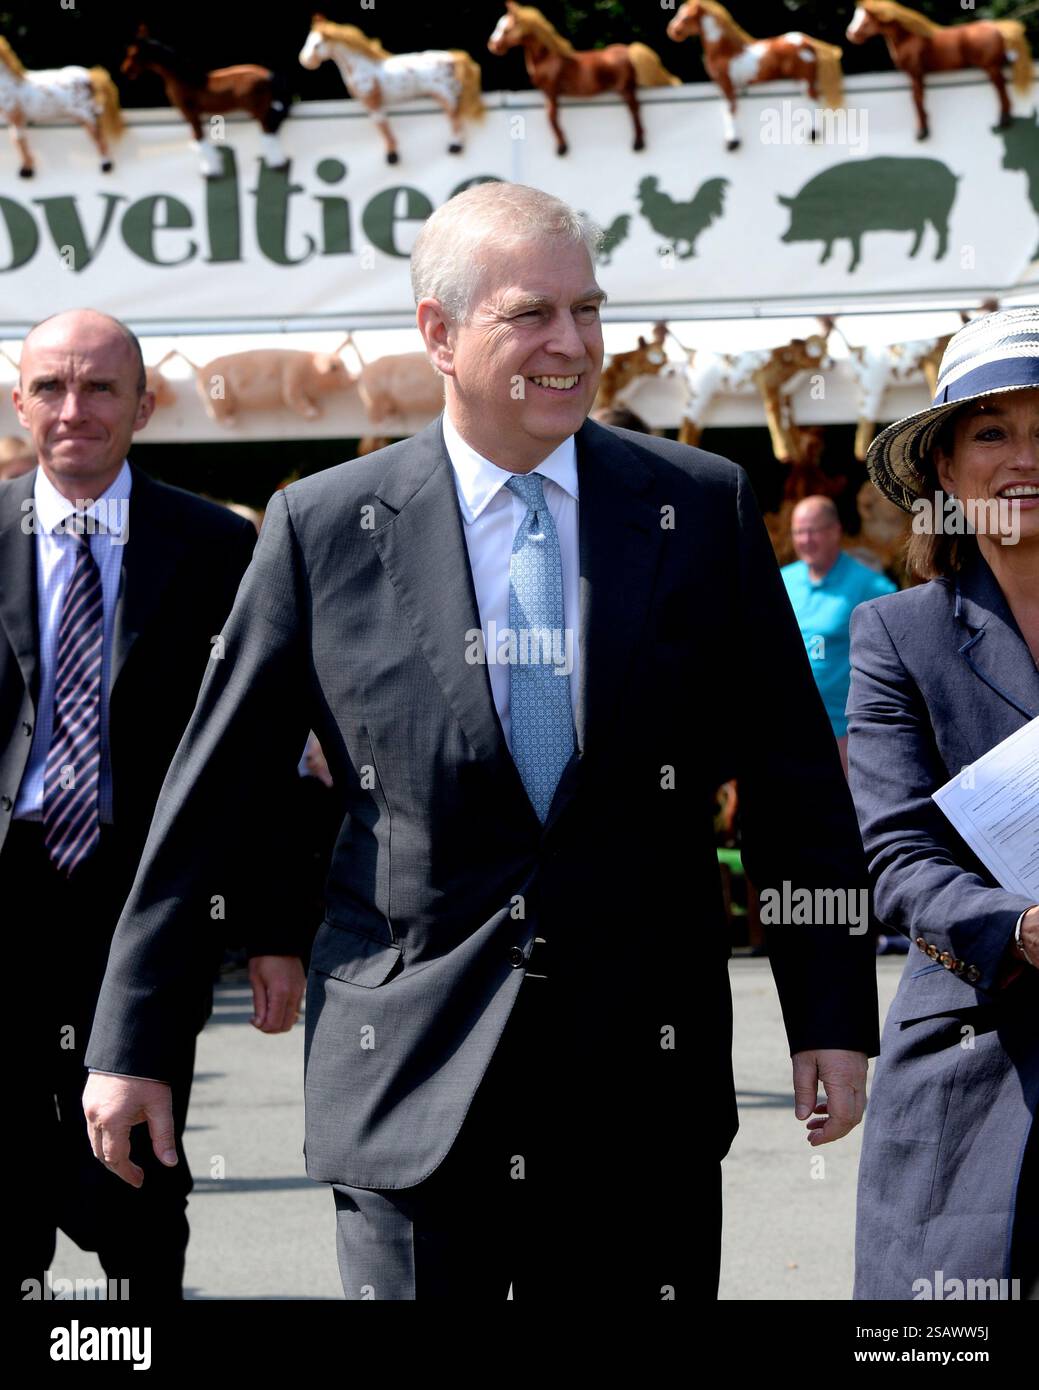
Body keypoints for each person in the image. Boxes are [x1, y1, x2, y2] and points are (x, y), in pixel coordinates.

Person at [82, 182, 878, 1301]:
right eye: (531, 315)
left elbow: (795, 780)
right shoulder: (323, 527)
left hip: (637, 1089)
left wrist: (832, 1015)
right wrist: (133, 1040)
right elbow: (209, 796)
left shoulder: (695, 508)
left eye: (586, 310)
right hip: (407, 1083)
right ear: (438, 333)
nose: (572, 344)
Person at [2, 309, 305, 1300]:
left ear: (144, 402)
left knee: (136, 1163)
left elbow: (259, 752)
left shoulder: (217, 547)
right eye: (51, 387)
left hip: (147, 907)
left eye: (98, 387)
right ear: (20, 404)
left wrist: (271, 926)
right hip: (9, 890)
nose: (74, 409)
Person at [847, 306, 1039, 1300]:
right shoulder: (897, 637)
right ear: (944, 471)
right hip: (970, 1042)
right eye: (992, 433)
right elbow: (896, 856)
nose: (1022, 460)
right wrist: (1022, 927)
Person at [781, 495, 896, 777]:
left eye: (812, 530)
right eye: (798, 532)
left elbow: (894, 658)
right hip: (788, 730)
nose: (805, 540)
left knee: (844, 816)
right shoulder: (783, 579)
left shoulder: (871, 587)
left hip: (844, 736)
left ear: (835, 531)